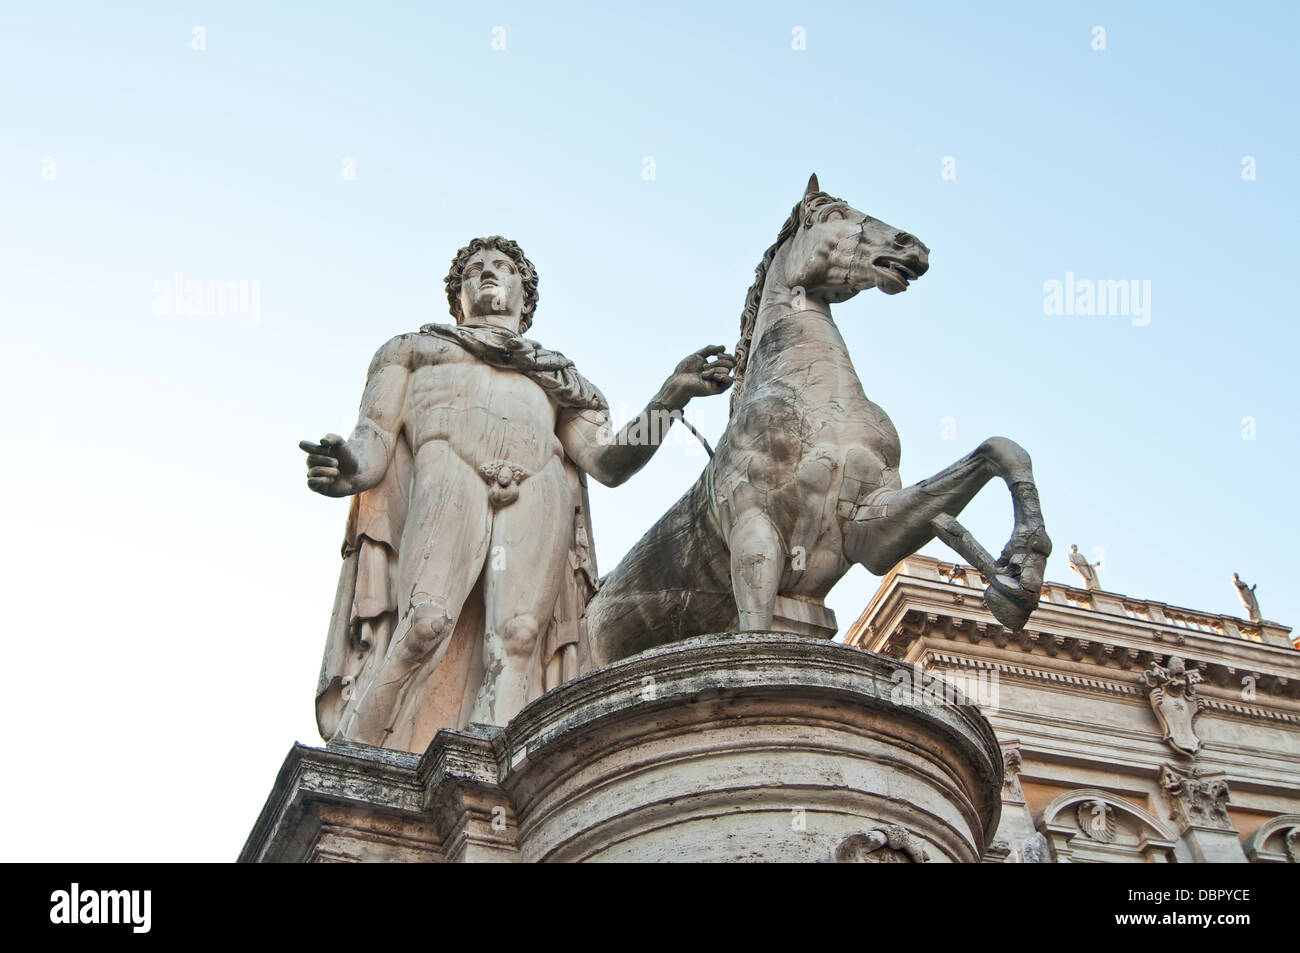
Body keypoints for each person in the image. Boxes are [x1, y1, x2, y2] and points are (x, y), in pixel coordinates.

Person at [300, 236, 734, 751]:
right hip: (449, 472)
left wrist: (670, 397)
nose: (487, 274)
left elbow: (608, 461)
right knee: (424, 622)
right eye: (474, 269)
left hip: (539, 484)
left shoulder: (558, 377)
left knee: (518, 641)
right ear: (456, 296)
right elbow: (371, 439)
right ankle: (356, 758)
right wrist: (345, 467)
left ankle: (490, 788)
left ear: (524, 296)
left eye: (502, 268)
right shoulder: (413, 351)